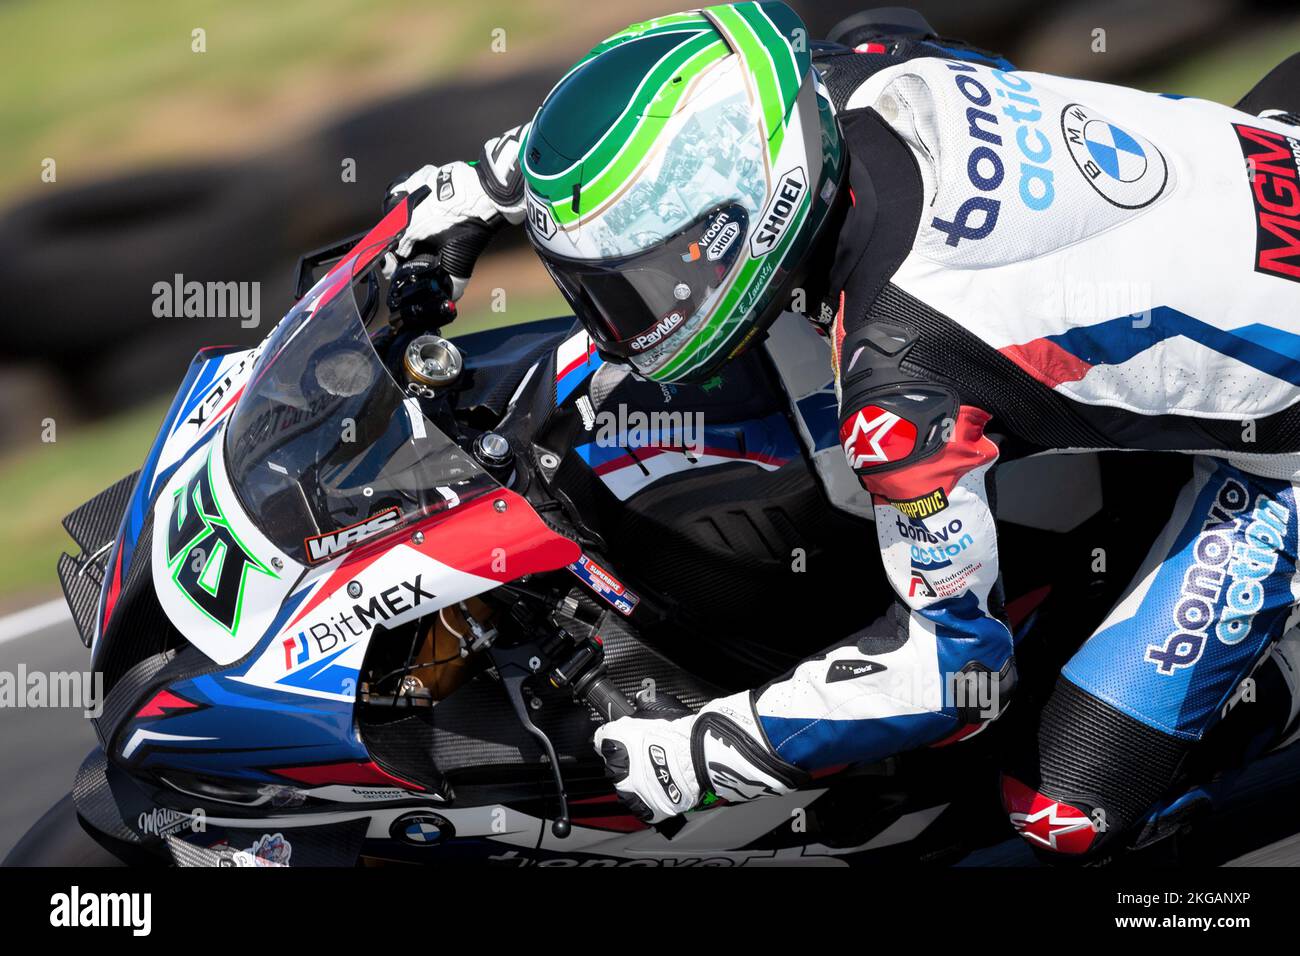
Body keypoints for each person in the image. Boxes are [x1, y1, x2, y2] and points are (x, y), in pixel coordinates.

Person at [385, 2, 1300, 859]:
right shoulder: (861, 74)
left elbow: (952, 678)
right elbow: (845, 47)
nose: (608, 318)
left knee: (1060, 813)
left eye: (634, 284)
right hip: (1268, 158)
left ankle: (1268, 689)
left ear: (752, 220)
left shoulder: (904, 376)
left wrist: (712, 750)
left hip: (1281, 464)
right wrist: (489, 186)